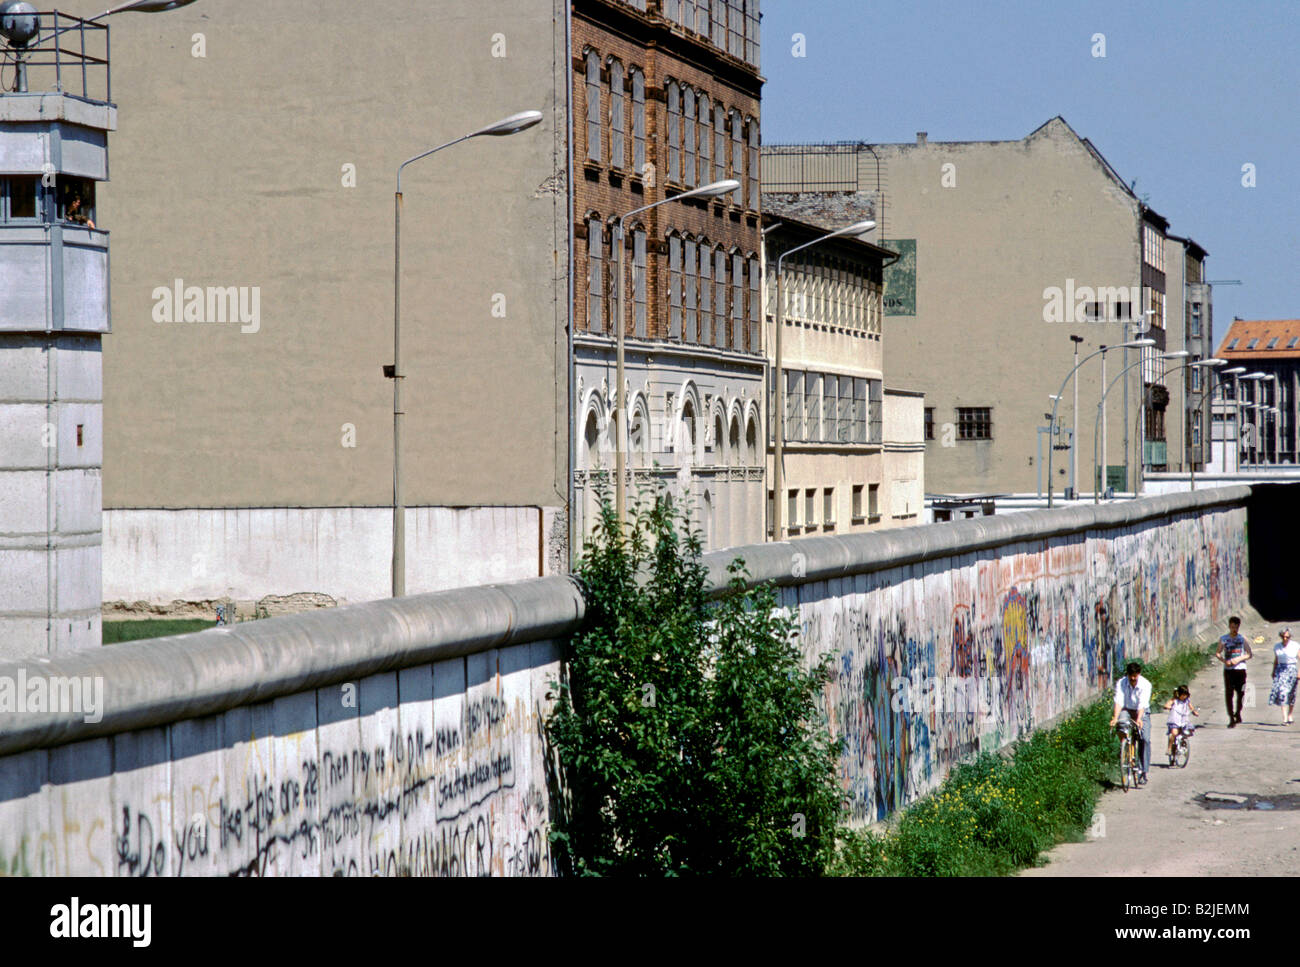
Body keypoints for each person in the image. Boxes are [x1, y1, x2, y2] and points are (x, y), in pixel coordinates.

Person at [1110, 661, 1153, 784]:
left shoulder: (1146, 684)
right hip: (1127, 709)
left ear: (1139, 674)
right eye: (1131, 676)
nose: (1133, 678)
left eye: (1135, 676)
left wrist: (1139, 719)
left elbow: (1142, 703)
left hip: (1142, 711)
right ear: (1127, 675)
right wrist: (1115, 717)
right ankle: (1127, 749)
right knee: (1120, 725)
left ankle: (1143, 771)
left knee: (1145, 738)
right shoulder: (1121, 683)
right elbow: (1119, 701)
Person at [1216, 616, 1252, 727]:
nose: (1234, 629)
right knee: (1229, 693)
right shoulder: (1224, 639)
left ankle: (1238, 712)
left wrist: (1238, 659)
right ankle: (1231, 718)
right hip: (1229, 670)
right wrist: (1224, 660)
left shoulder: (1242, 639)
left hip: (1240, 669)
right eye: (1232, 627)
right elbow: (1218, 653)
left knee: (1241, 693)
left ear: (1239, 627)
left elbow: (1249, 654)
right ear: (1229, 626)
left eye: (1236, 627)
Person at [1268, 629, 1298, 725]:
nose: (1285, 639)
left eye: (1287, 637)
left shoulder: (1295, 646)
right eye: (1283, 637)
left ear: (1290, 637)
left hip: (1292, 669)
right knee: (1282, 692)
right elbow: (1276, 659)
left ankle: (1290, 715)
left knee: (1291, 693)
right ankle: (1284, 718)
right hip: (1281, 670)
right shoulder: (1277, 646)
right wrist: (1273, 671)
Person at [1162, 685, 1199, 757]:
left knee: (1187, 732)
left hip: (1183, 720)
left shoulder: (1187, 701)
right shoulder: (1174, 700)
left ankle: (1184, 744)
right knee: (1174, 733)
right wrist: (1168, 706)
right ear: (1179, 694)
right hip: (1175, 719)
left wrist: (1194, 711)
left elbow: (1191, 707)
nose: (1184, 697)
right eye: (1183, 695)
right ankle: (1169, 748)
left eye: (1186, 695)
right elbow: (1166, 705)